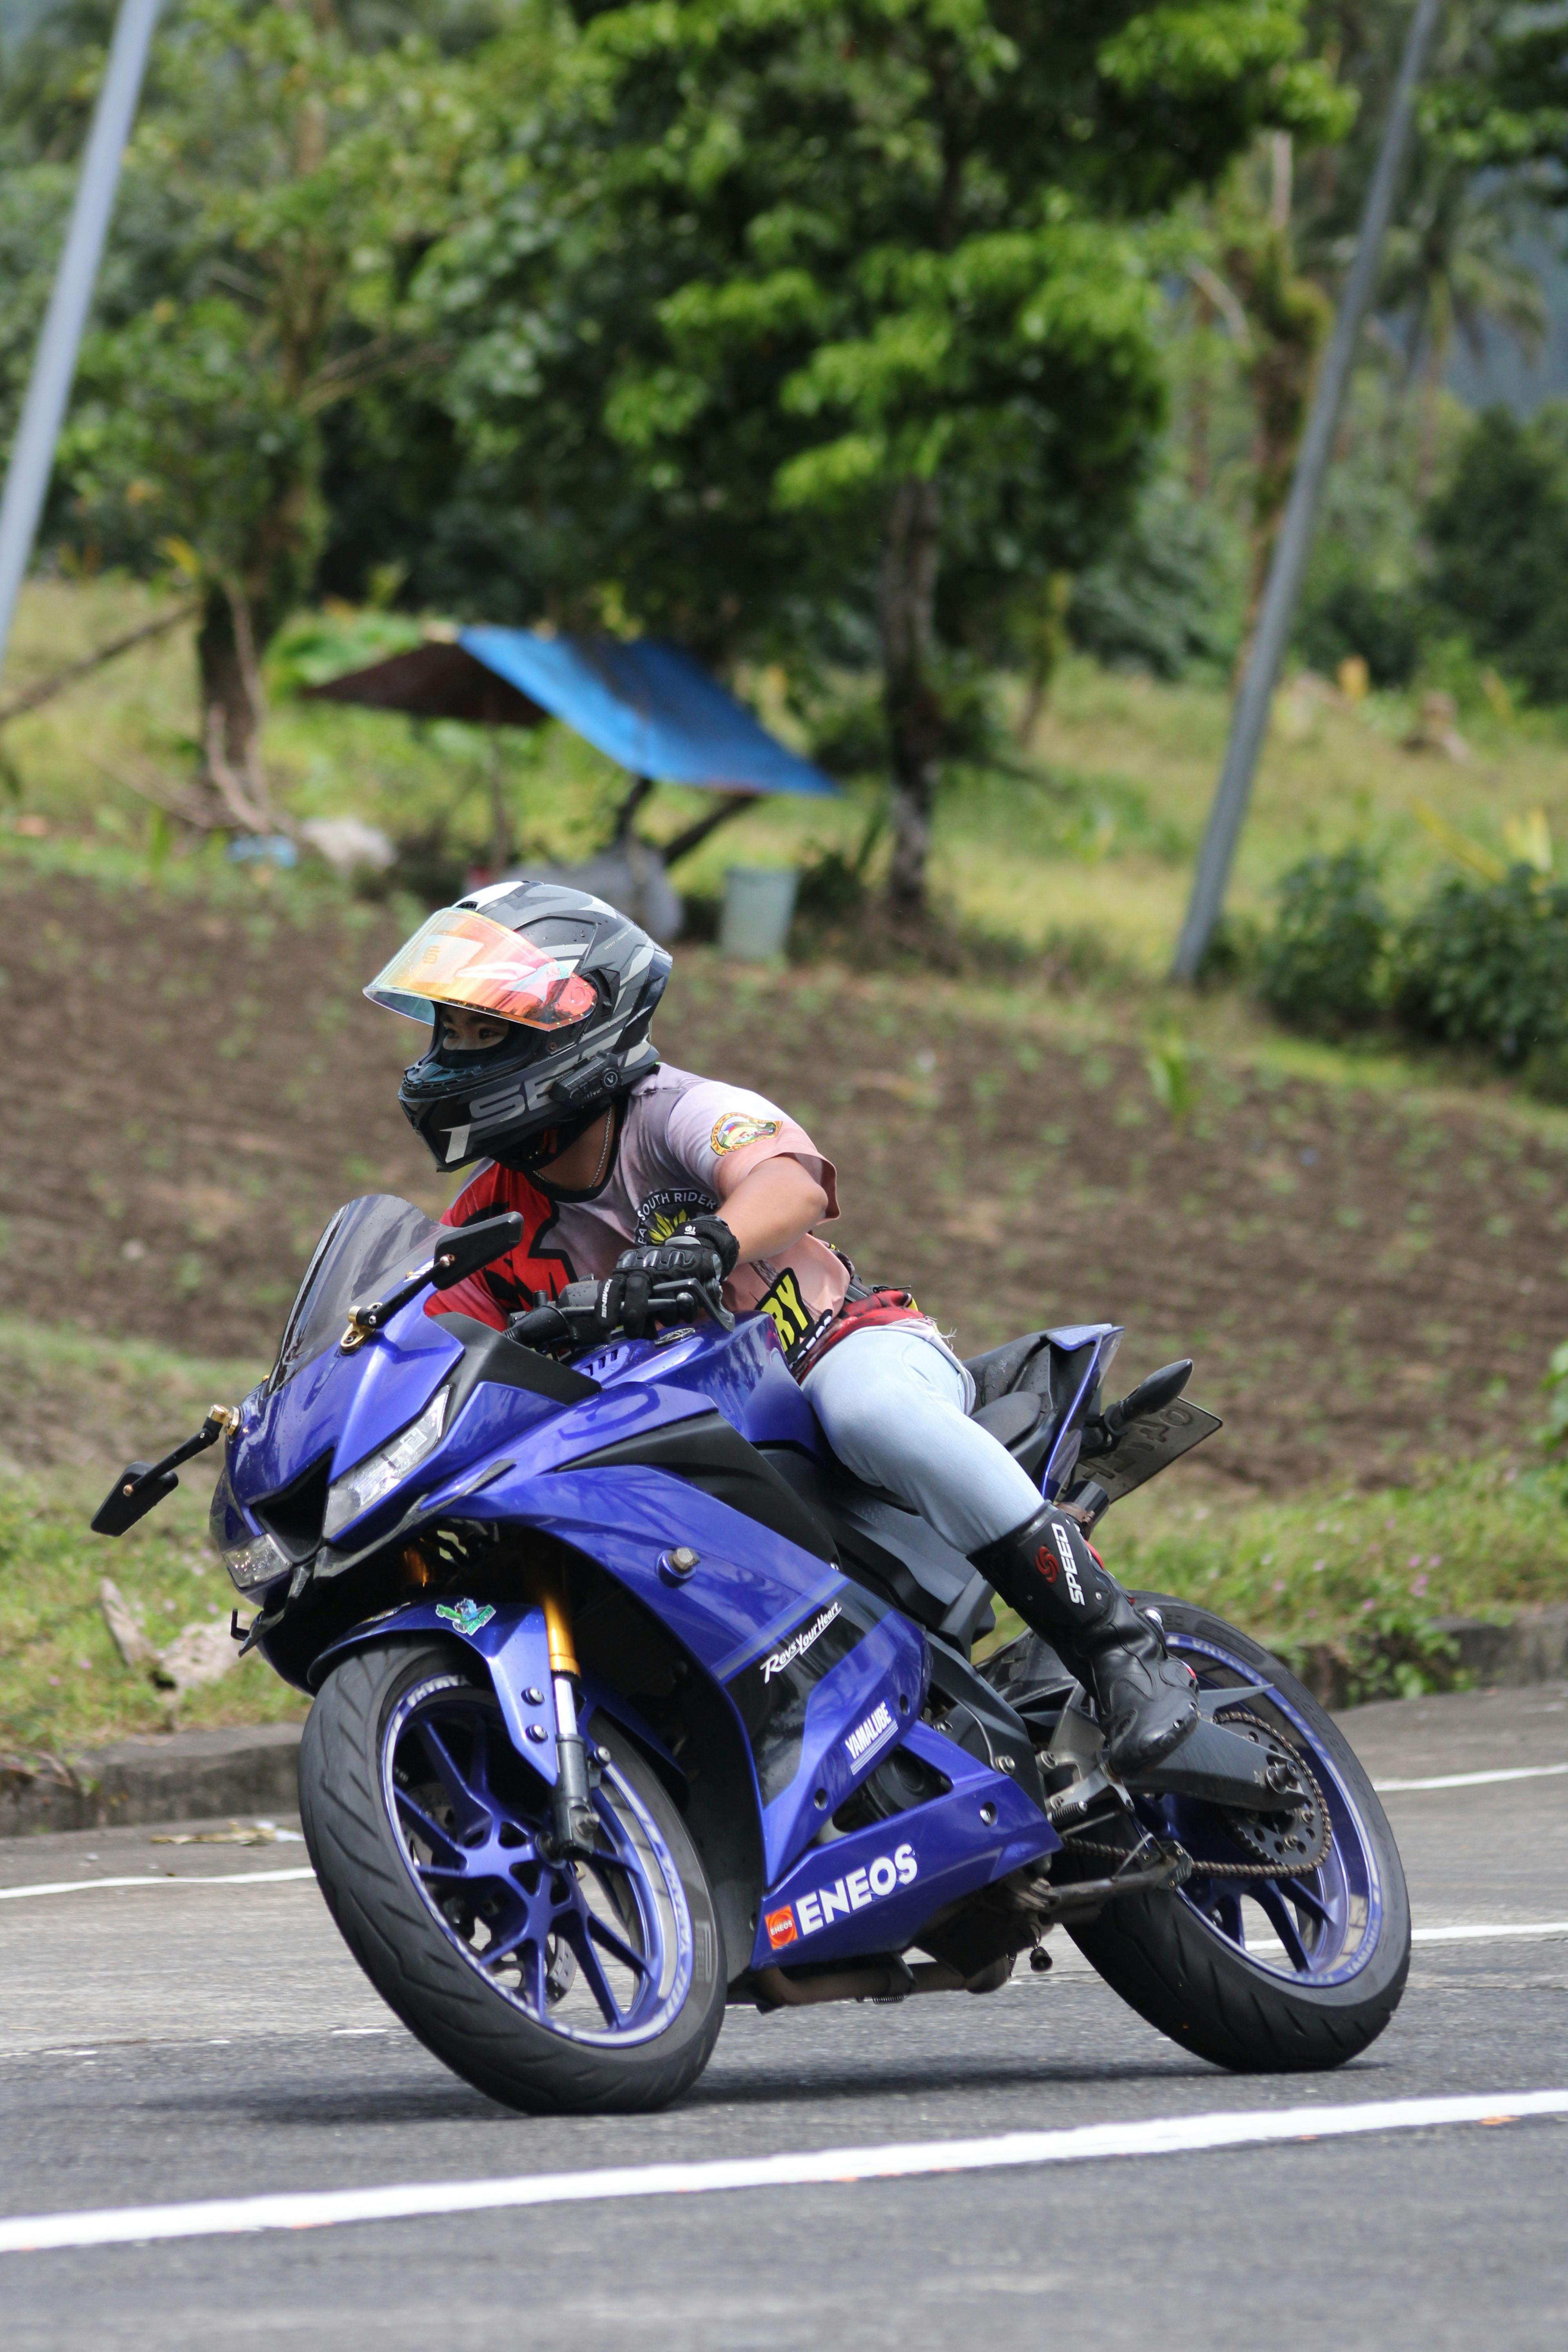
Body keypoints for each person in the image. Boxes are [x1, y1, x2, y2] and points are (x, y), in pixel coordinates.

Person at [362, 880, 1197, 1776]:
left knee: (869, 1408)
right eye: (452, 1034)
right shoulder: (486, 1221)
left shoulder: (670, 1112)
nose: (455, 1056)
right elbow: (425, 1345)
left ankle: (1119, 1649)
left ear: (572, 1025)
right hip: (683, 1442)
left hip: (829, 1354)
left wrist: (712, 1241)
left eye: (487, 1031)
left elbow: (791, 1181)